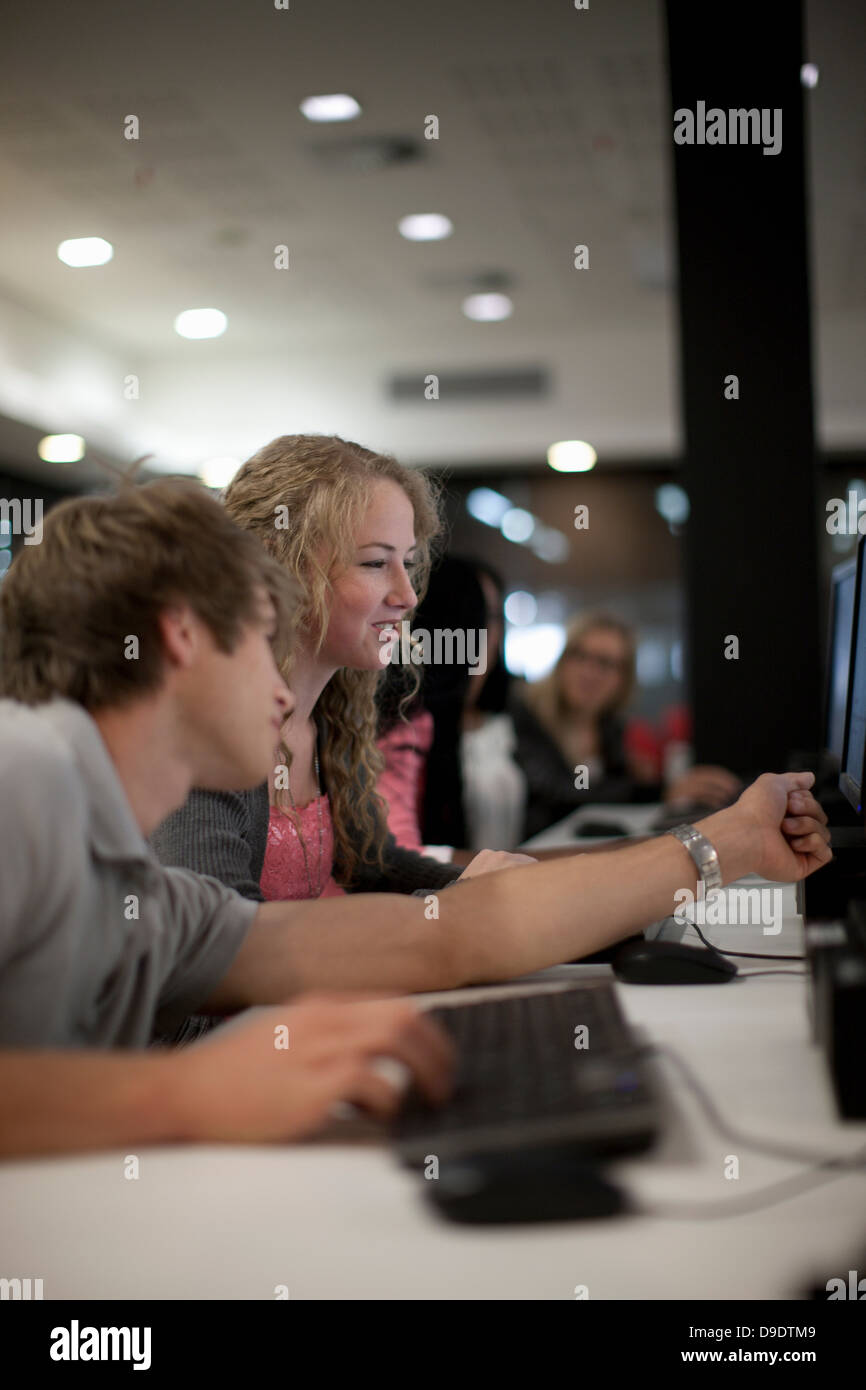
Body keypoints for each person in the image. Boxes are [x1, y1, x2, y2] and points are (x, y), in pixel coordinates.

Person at [0, 476, 832, 1157]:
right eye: (260, 637)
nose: (285, 688)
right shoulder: (25, 776)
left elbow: (447, 933)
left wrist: (724, 843)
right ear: (179, 637)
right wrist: (183, 1092)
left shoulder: (151, 898)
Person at [512, 612, 742, 841]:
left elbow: (614, 788)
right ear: (562, 661)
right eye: (579, 656)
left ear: (623, 679)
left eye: (605, 663)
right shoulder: (527, 716)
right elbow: (562, 793)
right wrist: (661, 791)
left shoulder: (609, 728)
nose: (589, 672)